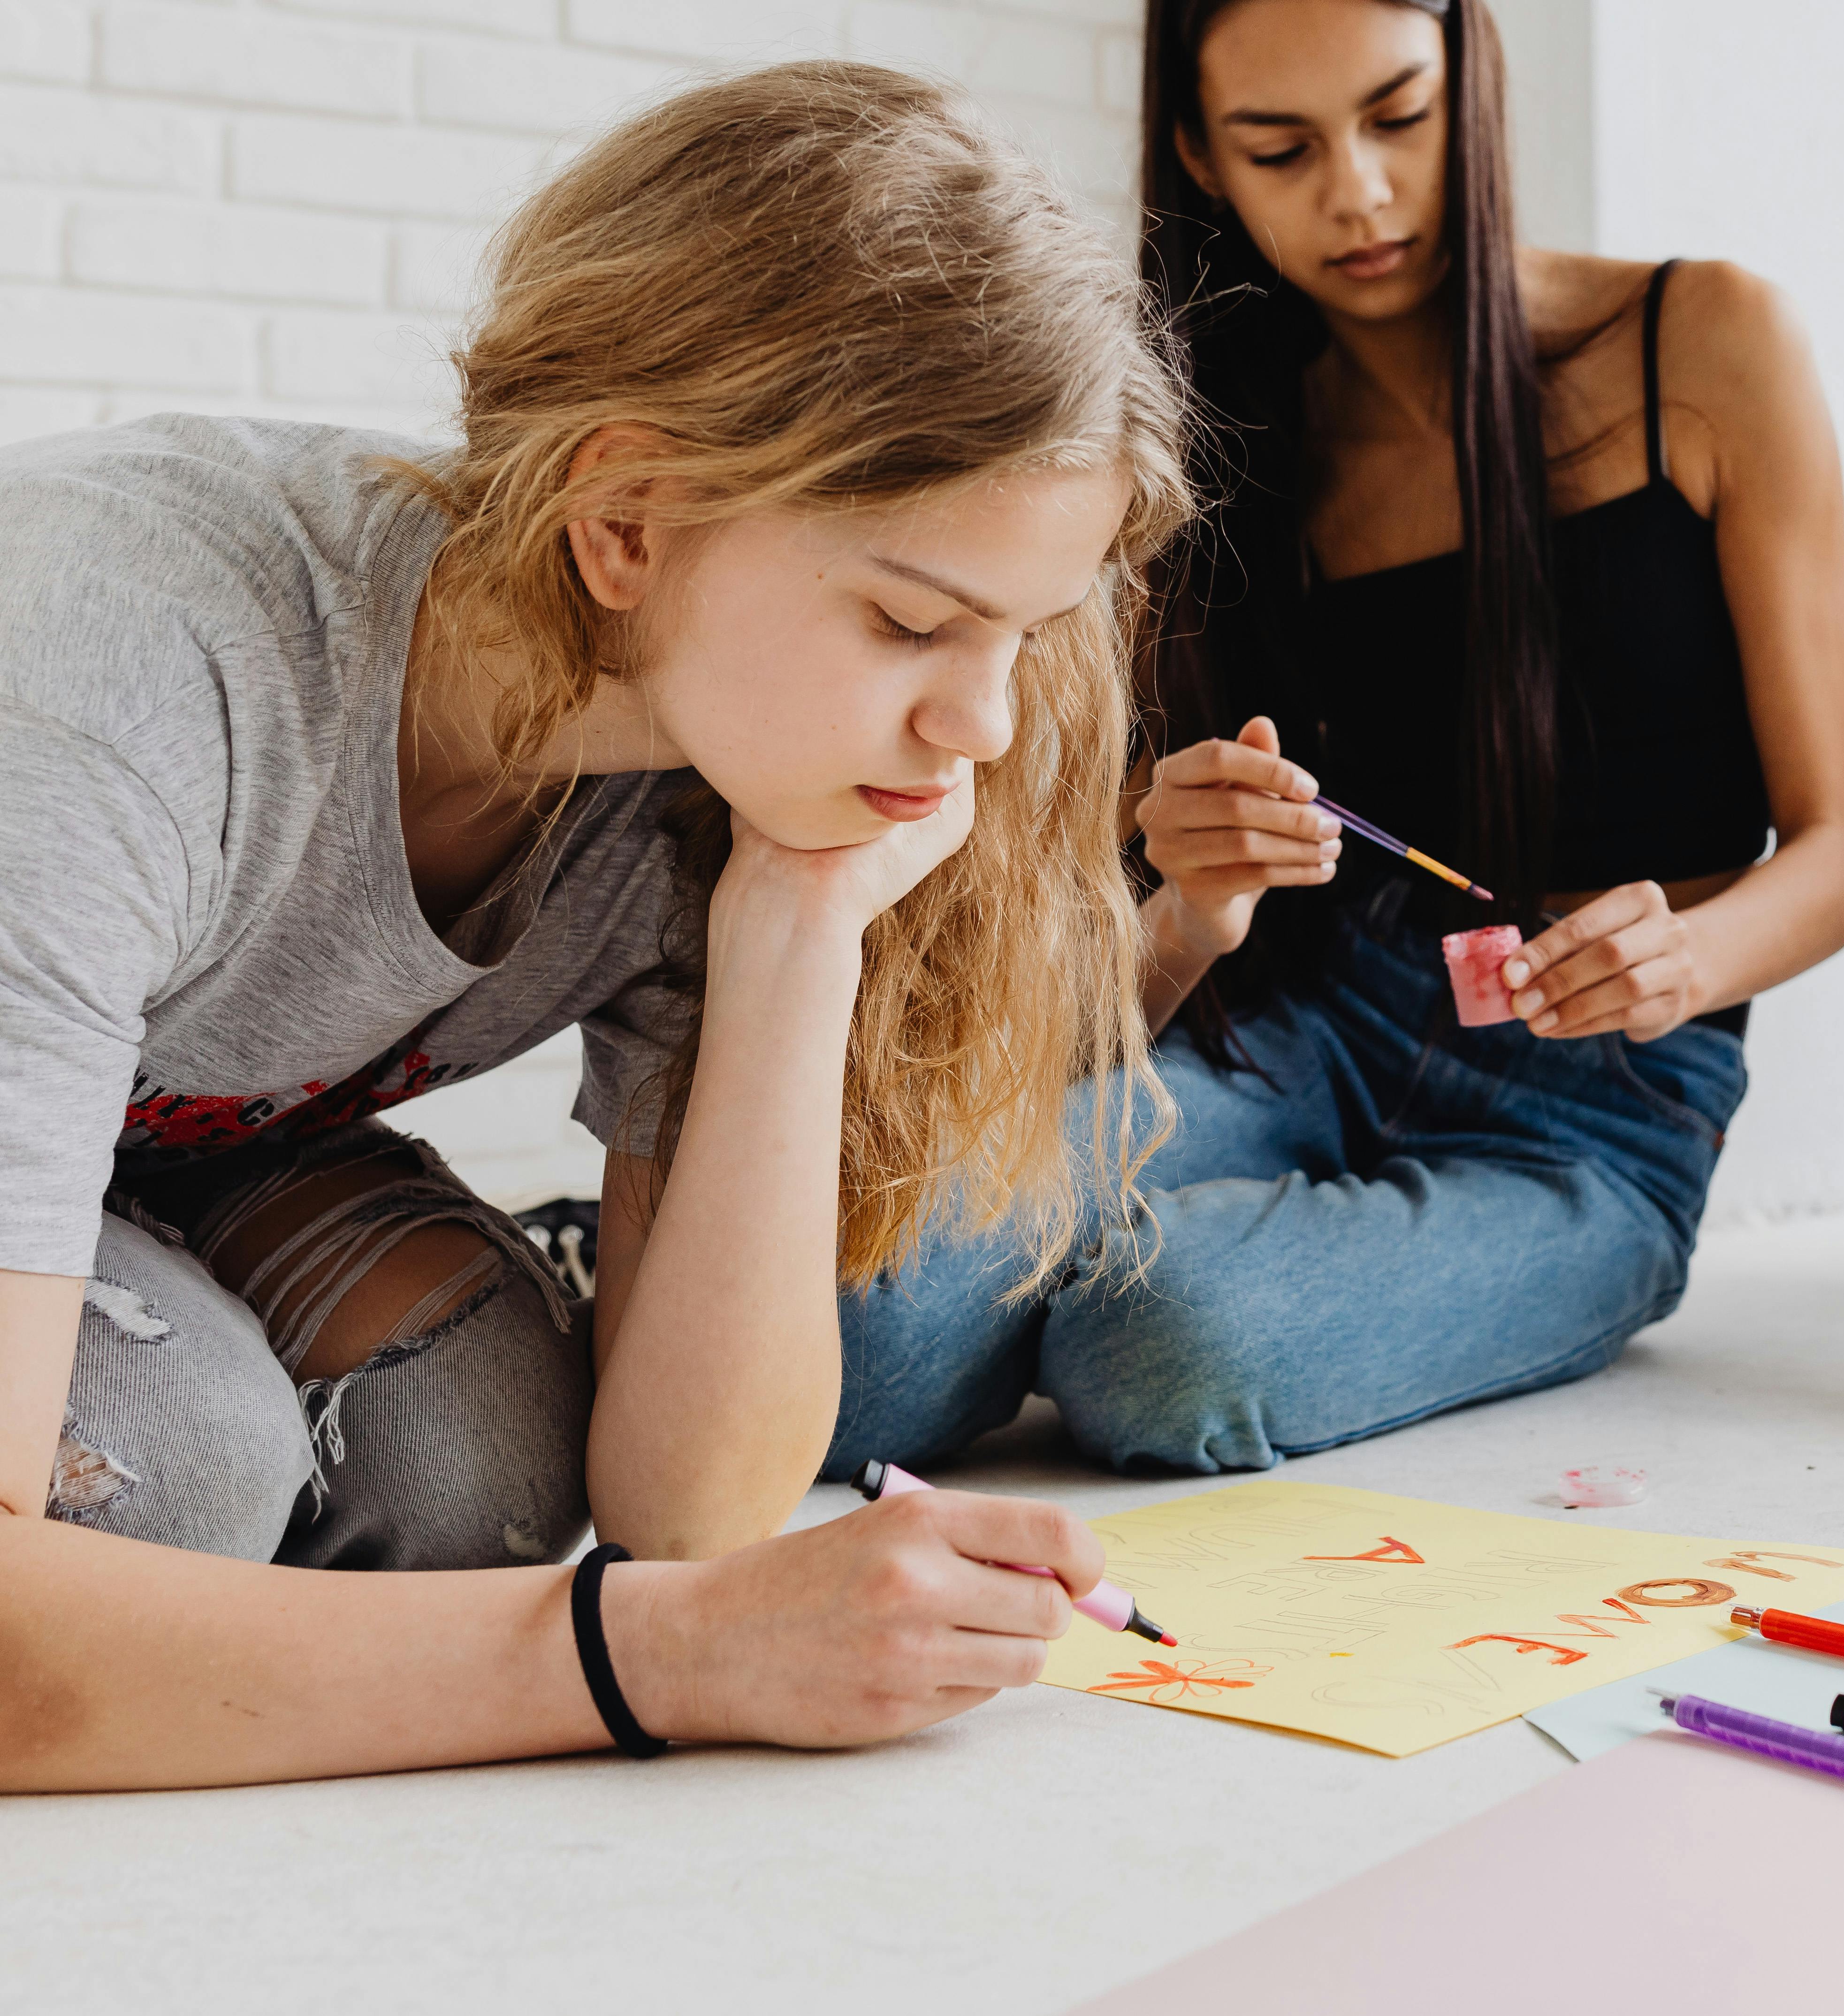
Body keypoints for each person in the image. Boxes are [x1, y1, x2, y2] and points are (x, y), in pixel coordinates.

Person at [0, 65, 1188, 1789]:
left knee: (480, 1465)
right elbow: (688, 1599)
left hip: (153, 1135)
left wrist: (798, 926)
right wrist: (659, 1660)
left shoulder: (715, 771)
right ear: (626, 520)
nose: (987, 732)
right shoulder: (115, 675)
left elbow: (692, 1506)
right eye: (914, 622)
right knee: (185, 1471)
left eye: (1023, 637)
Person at [830, 0, 1844, 1476]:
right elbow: (1118, 886)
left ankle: (1150, 1254)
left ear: (1474, 82)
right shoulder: (1225, 435)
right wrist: (1176, 845)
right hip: (1301, 1026)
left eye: (1400, 116)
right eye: (1281, 146)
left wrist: (1686, 960)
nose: (1361, 194)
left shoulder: (1704, 344)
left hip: (1594, 1116)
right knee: (865, 1338)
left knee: (1160, 1346)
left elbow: (1838, 858)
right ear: (1202, 155)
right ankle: (1144, 1245)